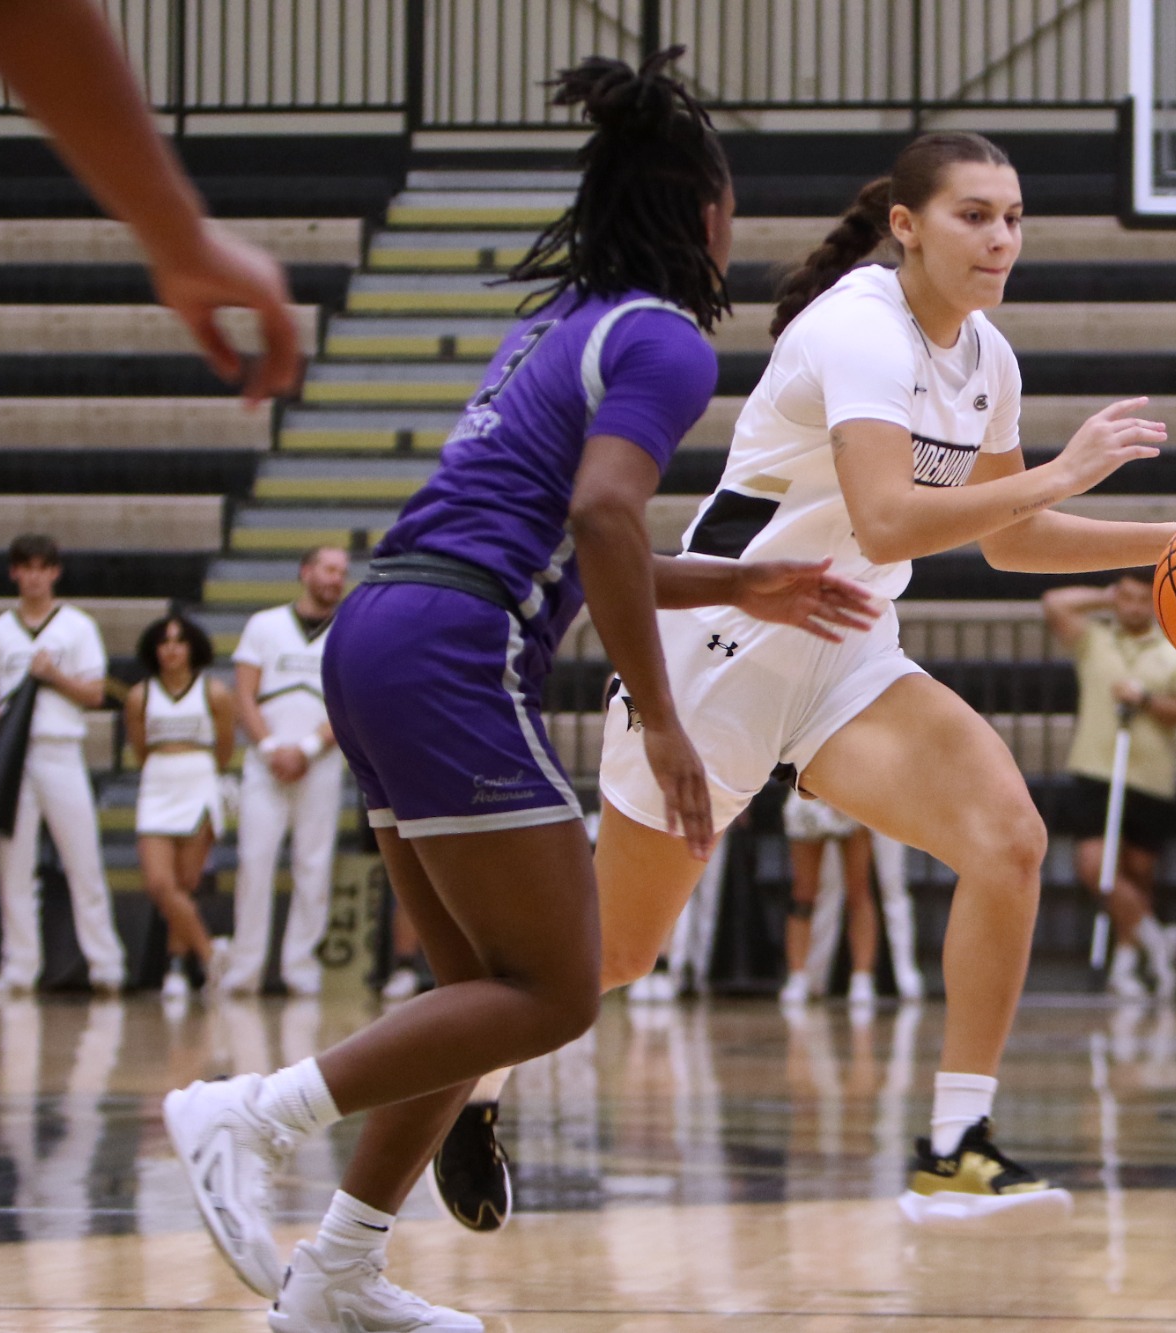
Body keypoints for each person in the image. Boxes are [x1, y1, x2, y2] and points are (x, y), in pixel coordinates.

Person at [163, 51, 872, 1329]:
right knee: (551, 987)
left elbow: (575, 532)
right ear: (700, 215)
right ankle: (247, 1115)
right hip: (450, 646)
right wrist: (661, 721)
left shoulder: (559, 325)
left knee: (471, 994)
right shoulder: (663, 342)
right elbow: (601, 517)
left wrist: (736, 585)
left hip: (382, 621)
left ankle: (333, 1278)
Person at [434, 128, 1176, 1235]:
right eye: (972, 214)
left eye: (1011, 216)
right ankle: (465, 1080)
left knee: (1008, 839)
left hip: (846, 643)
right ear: (905, 226)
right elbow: (888, 515)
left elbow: (1010, 539)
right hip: (722, 645)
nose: (999, 235)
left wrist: (1174, 539)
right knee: (610, 954)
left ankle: (956, 1144)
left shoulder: (986, 358)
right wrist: (1058, 468)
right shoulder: (858, 326)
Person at [0, 0, 301, 1322]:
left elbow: (95, 697)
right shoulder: (0, 630)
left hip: (89, 750)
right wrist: (170, 224)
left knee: (78, 876)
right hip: (19, 742)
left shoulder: (88, 633)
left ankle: (93, 968)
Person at [0, 533, 128, 995]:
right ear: (14, 572)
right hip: (11, 759)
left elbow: (96, 693)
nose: (35, 576)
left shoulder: (76, 626)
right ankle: (19, 966)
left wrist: (54, 676)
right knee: (13, 865)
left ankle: (105, 963)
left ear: (55, 573)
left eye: (43, 567)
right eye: (26, 567)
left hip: (60, 750)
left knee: (83, 859)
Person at [1043, 572, 1176, 1000]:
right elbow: (1054, 602)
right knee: (1096, 865)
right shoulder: (1095, 639)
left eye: (1141, 599)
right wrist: (1103, 595)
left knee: (1137, 873)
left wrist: (1147, 702)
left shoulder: (1175, 651)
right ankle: (1158, 941)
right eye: (1126, 598)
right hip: (1096, 769)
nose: (1133, 607)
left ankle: (1127, 966)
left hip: (1150, 778)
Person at [224, 546, 348, 997]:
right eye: (329, 568)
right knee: (254, 864)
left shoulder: (349, 629)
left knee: (313, 866)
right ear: (306, 571)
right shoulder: (264, 625)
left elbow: (353, 701)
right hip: (264, 765)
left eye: (342, 571)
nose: (336, 578)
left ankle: (301, 968)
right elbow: (243, 696)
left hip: (322, 764)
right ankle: (244, 970)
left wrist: (311, 748)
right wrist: (272, 747)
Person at [124, 613, 235, 1000]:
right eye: (164, 642)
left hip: (199, 781)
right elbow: (139, 748)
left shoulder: (215, 693)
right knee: (160, 884)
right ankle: (210, 953)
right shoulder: (140, 696)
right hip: (157, 784)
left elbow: (225, 749)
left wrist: (198, 771)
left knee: (186, 884)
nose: (171, 649)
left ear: (193, 648)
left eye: (179, 641)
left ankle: (176, 970)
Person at [779, 790, 881, 1005]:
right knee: (803, 893)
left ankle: (862, 978)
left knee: (858, 890)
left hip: (852, 792)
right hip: (808, 793)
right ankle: (797, 976)